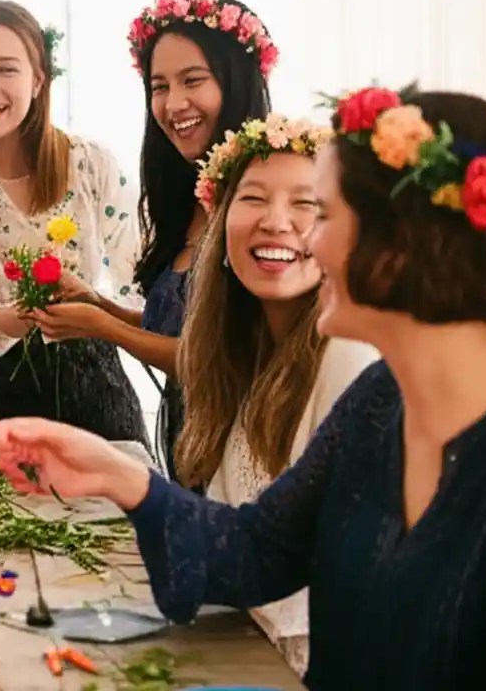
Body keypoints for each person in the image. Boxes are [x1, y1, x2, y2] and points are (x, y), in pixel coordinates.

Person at [0, 87, 486, 689]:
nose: (306, 240)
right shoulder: (378, 402)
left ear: (401, 241)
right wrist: (114, 473)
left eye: (325, 214)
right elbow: (259, 548)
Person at [29, 0, 276, 475]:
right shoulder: (191, 195)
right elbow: (181, 326)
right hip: (190, 442)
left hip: (243, 451)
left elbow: (222, 359)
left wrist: (102, 328)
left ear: (236, 78)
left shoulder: (261, 197)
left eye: (193, 80)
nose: (173, 103)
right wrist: (96, 303)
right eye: (159, 86)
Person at [176, 114, 378, 673]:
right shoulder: (234, 353)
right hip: (237, 645)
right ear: (220, 225)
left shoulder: (350, 355)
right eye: (253, 198)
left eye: (307, 204)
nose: (276, 222)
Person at [0, 0, 147, 446]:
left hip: (96, 388)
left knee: (117, 515)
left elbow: (138, 284)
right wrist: (29, 311)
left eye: (7, 69)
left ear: (38, 80)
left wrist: (95, 308)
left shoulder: (90, 164)